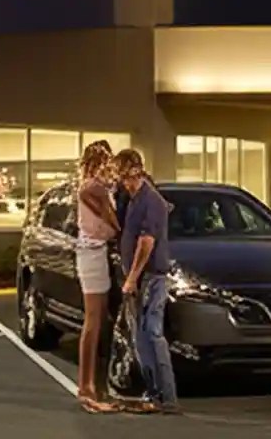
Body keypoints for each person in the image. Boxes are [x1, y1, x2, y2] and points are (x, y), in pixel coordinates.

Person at [115, 148, 180, 414]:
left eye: (125, 175)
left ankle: (167, 397)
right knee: (141, 338)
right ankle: (154, 394)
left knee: (153, 335)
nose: (123, 181)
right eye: (121, 177)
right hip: (142, 279)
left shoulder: (150, 201)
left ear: (136, 171)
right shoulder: (133, 199)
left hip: (151, 278)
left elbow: (147, 242)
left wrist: (131, 278)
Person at [73, 140, 120, 413]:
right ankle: (86, 388)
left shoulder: (99, 186)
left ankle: (95, 385)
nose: (108, 164)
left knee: (100, 320)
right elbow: (109, 216)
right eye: (104, 160)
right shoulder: (91, 187)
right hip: (91, 253)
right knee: (92, 321)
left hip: (98, 252)